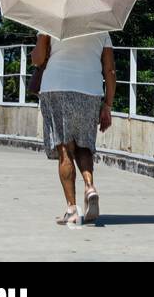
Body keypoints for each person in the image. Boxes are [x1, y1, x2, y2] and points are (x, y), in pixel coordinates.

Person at [31, 31, 116, 226]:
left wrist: (43, 36)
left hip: (56, 88)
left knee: (65, 149)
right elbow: (110, 70)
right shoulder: (101, 27)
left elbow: (37, 60)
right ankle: (89, 186)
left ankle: (71, 210)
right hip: (90, 90)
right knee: (84, 145)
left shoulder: (52, 22)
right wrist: (108, 106)